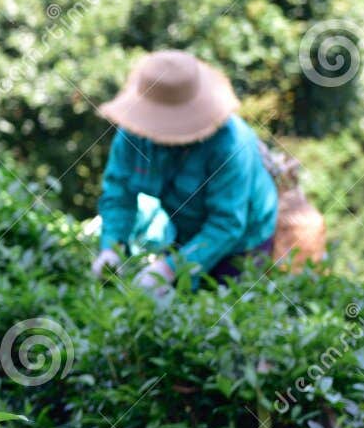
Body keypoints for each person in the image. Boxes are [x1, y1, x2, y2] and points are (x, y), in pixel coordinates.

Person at [90, 50, 277, 297]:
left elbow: (227, 223)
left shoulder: (230, 146)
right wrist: (112, 247)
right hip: (185, 228)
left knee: (227, 308)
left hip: (244, 239)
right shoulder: (132, 136)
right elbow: (119, 193)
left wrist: (168, 269)